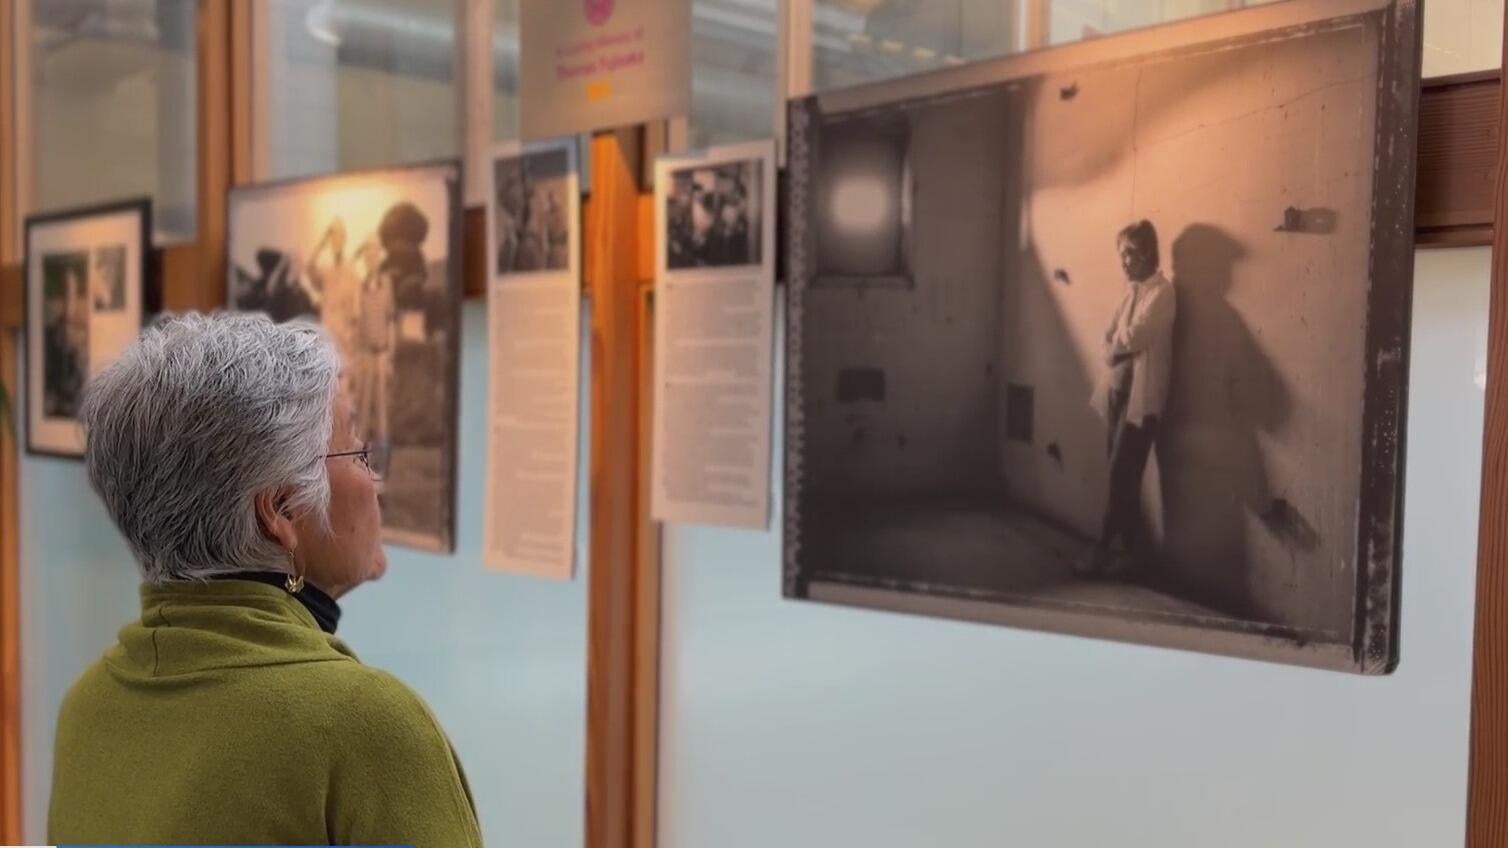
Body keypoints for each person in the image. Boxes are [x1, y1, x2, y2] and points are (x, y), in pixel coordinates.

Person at [47, 313, 483, 847]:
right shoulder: (370, 727)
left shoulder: (87, 709)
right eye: (360, 452)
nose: (377, 481)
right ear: (282, 508)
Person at [1081, 219, 1177, 577]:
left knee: (1121, 475)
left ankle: (1103, 550)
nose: (1123, 262)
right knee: (1122, 476)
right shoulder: (1131, 293)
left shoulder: (1162, 293)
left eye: (1130, 254)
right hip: (1117, 396)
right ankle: (1130, 554)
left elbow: (1134, 338)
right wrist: (1113, 350)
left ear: (1148, 253)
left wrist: (1113, 350)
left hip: (1141, 404)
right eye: (1120, 254)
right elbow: (1106, 339)